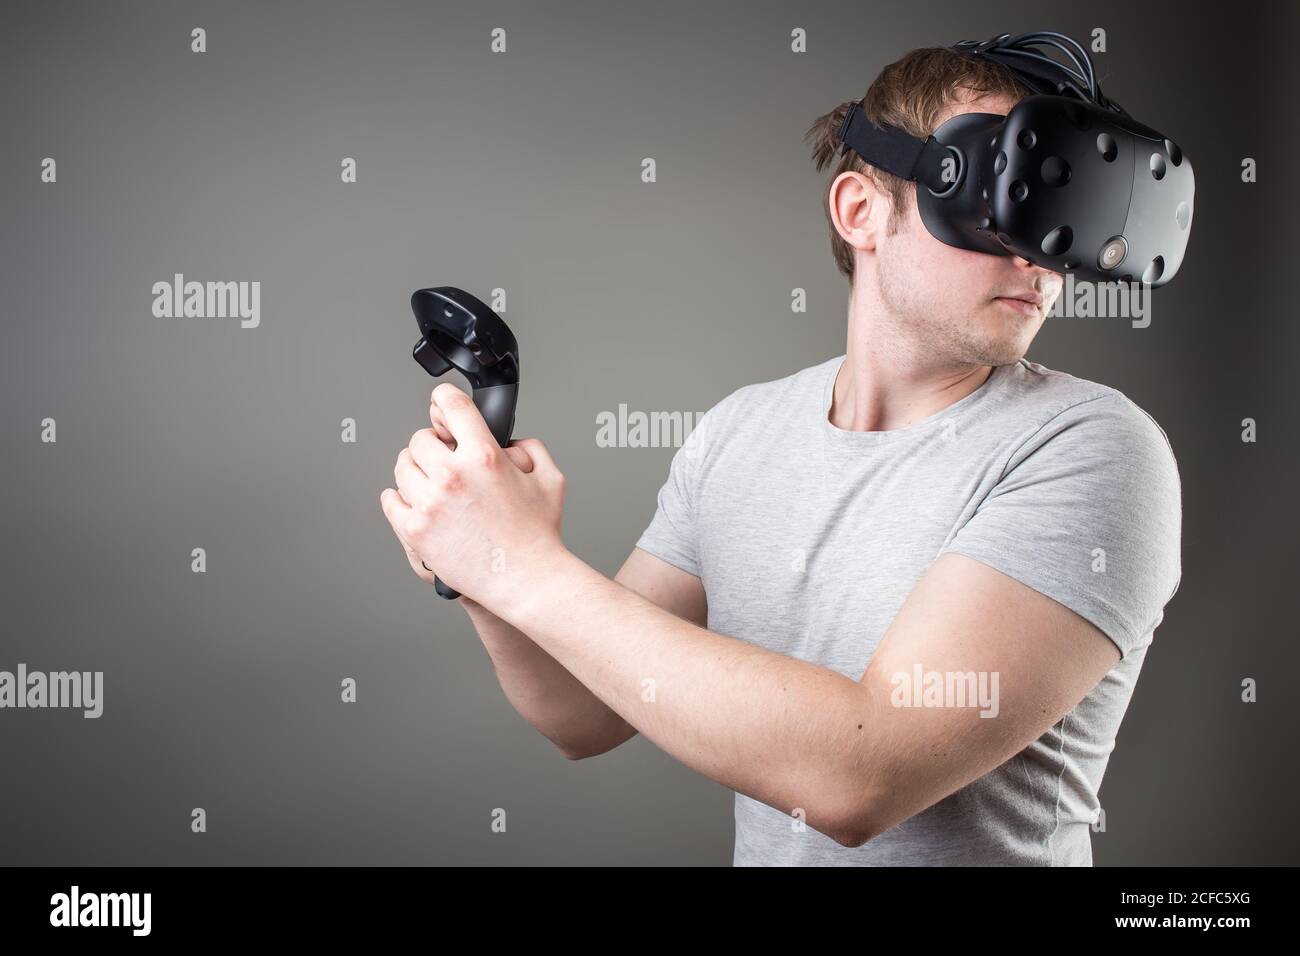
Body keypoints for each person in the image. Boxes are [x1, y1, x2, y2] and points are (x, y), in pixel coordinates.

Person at [379, 44, 1182, 866]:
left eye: (1051, 212)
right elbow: (584, 714)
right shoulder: (742, 430)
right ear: (861, 211)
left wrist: (522, 566)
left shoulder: (1095, 450)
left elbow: (862, 775)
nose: (1035, 258)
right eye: (993, 194)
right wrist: (481, 564)